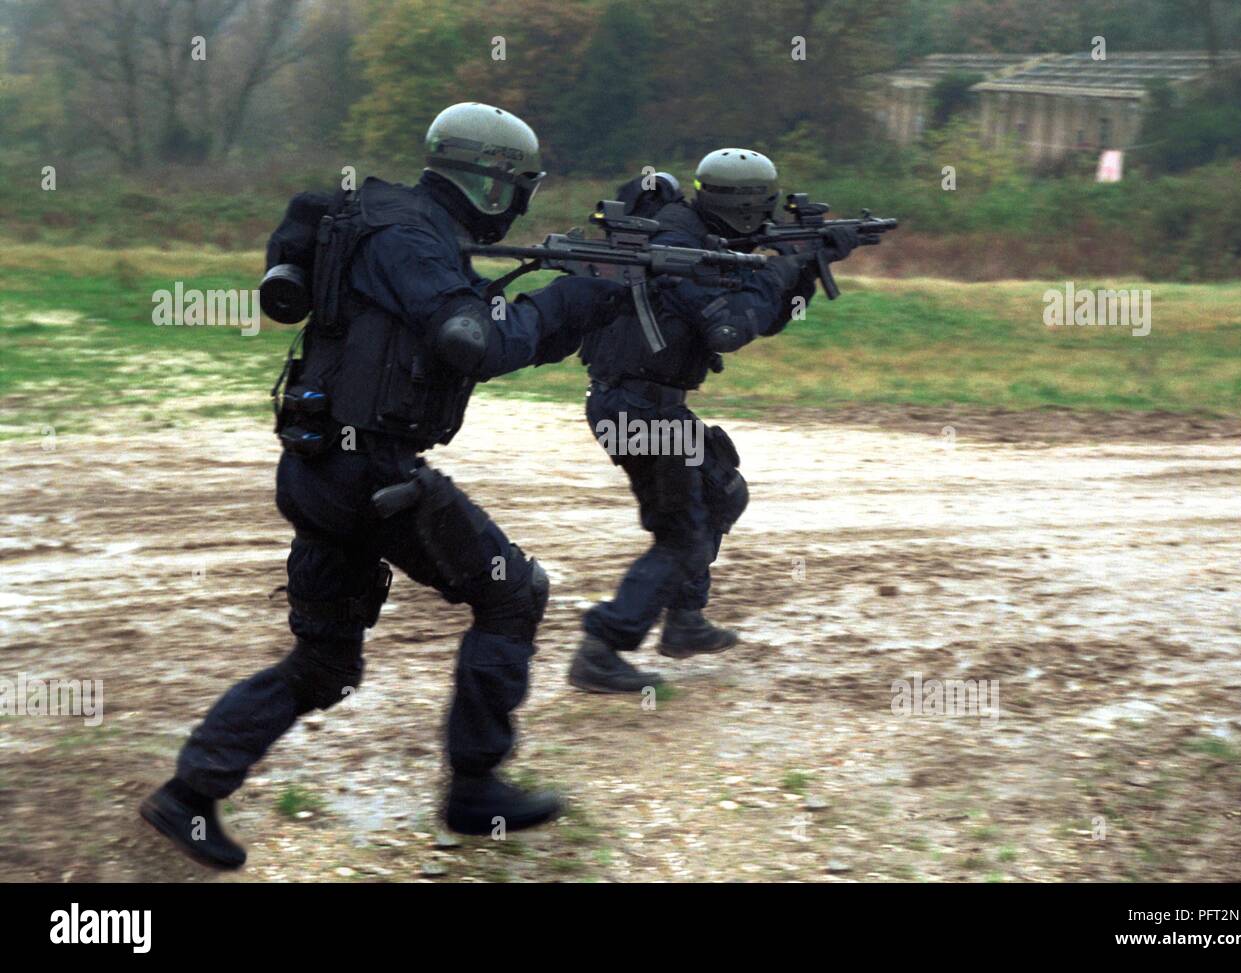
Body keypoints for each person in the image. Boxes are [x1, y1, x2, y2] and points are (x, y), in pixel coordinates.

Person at [140, 103, 628, 869]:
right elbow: (476, 338)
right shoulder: (411, 240)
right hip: (371, 475)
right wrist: (572, 295)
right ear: (493, 184)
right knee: (511, 592)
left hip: (316, 469)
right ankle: (475, 787)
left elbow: (465, 316)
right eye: (520, 188)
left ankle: (189, 794)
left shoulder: (384, 219)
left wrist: (591, 293)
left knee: (324, 664)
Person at [568, 149, 857, 693]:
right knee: (681, 535)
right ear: (749, 205)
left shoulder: (704, 235)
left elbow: (765, 318)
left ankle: (683, 620)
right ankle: (602, 649)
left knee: (723, 494)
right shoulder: (678, 244)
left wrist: (804, 271)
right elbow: (729, 330)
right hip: (635, 410)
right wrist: (785, 261)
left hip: (653, 405)